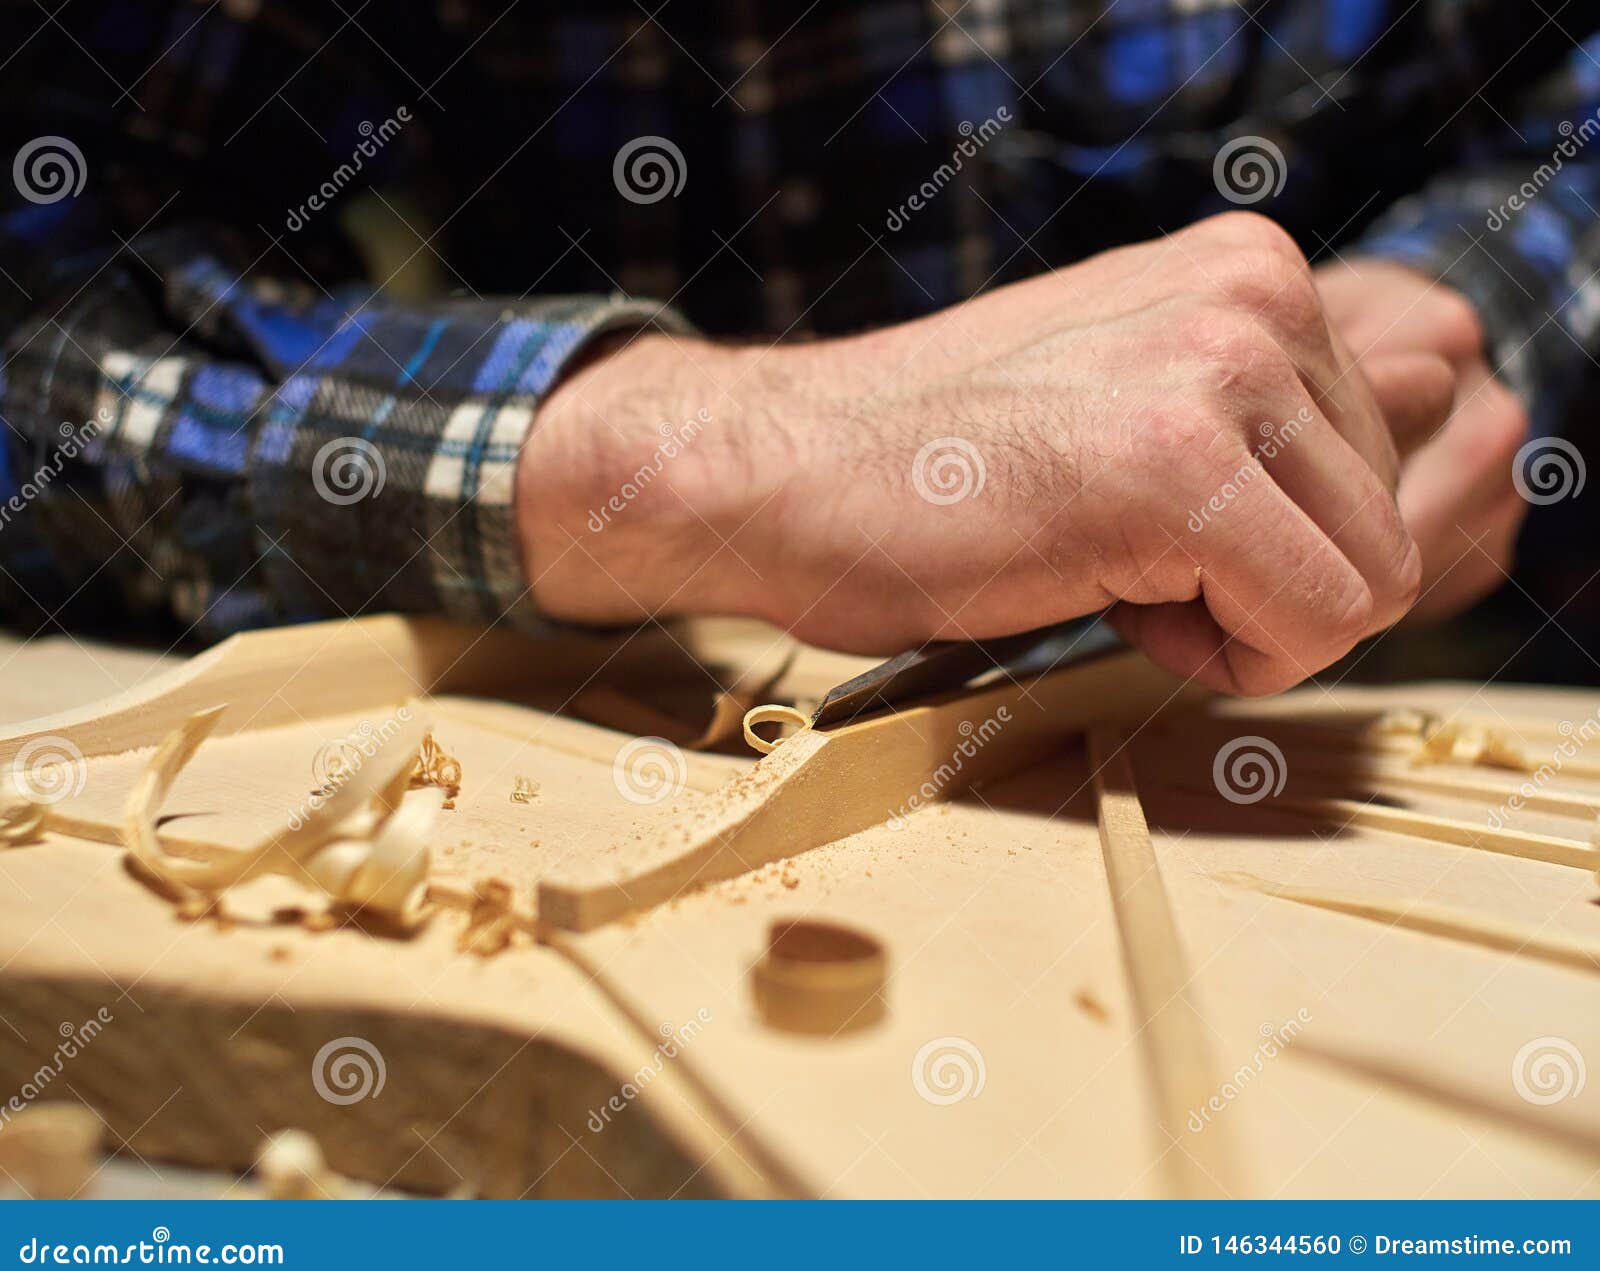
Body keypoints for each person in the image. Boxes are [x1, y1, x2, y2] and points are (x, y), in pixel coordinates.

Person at [1, 3, 1593, 695]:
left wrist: (1483, 297)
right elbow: (50, 268)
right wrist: (676, 457)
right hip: (631, 700)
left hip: (1304, 732)